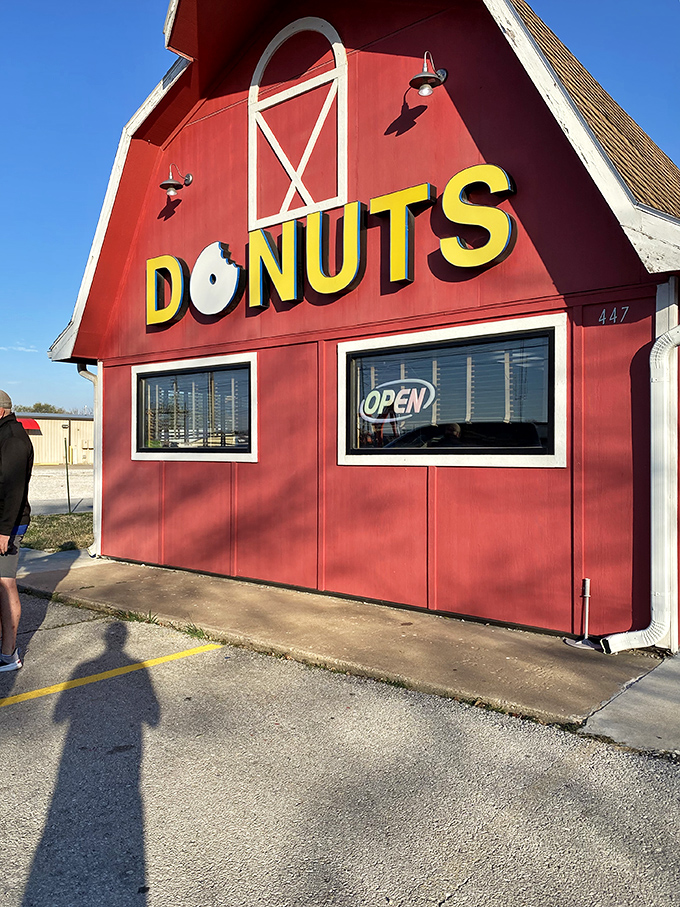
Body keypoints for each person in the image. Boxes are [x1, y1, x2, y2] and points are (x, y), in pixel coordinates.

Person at [0, 389, 33, 671]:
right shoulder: (4, 435)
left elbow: (13, 490)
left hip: (7, 526)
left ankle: (9, 655)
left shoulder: (13, 440)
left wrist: (4, 531)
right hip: (2, 523)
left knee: (5, 583)